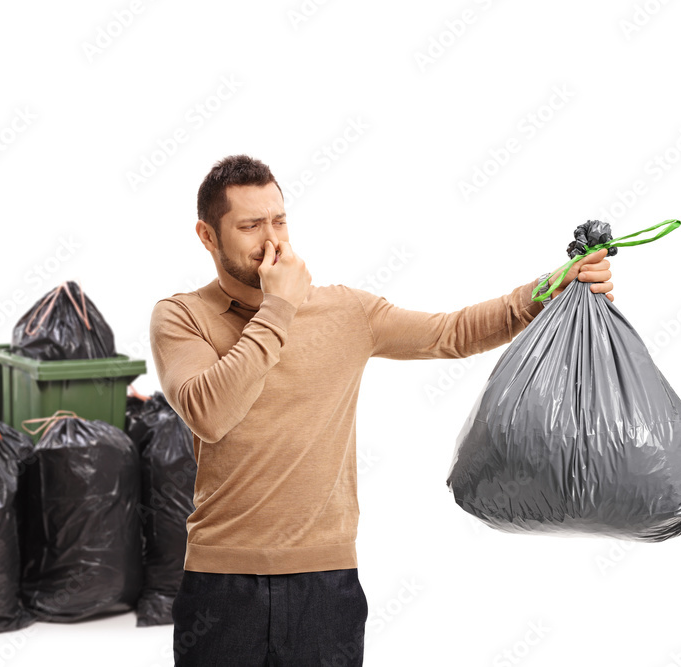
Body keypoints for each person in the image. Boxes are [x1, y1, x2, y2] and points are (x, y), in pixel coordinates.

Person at [148, 155, 614, 666]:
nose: (273, 240)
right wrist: (279, 306)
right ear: (208, 236)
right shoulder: (181, 316)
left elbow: (452, 332)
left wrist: (555, 286)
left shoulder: (346, 311)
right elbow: (210, 412)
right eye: (250, 225)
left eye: (279, 220)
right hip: (221, 584)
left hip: (325, 585)